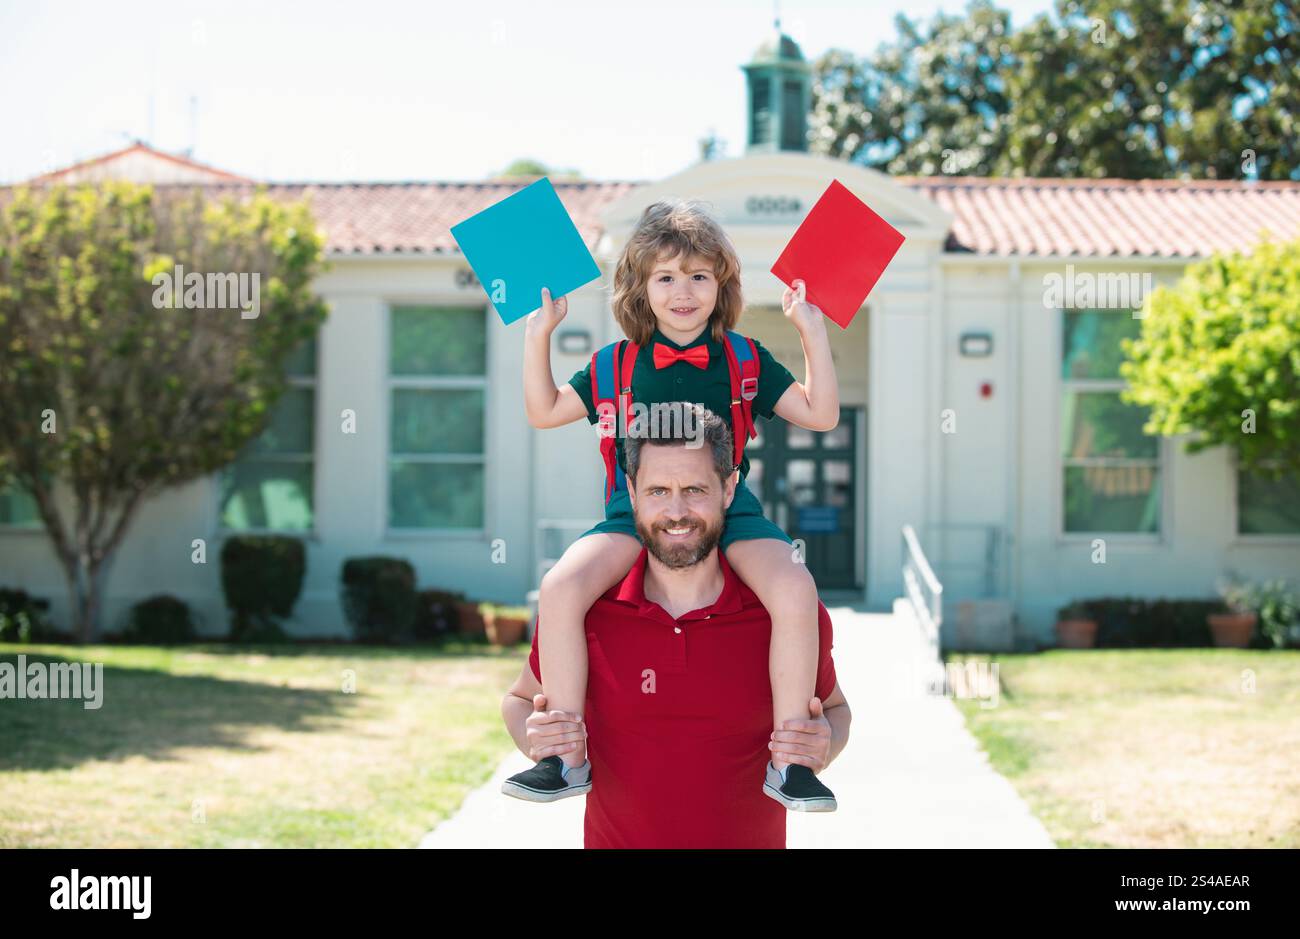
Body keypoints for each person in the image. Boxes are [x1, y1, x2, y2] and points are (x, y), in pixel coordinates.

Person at [511, 198, 842, 809]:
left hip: (729, 509)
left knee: (795, 589)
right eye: (665, 277)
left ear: (722, 285)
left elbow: (821, 414)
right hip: (628, 511)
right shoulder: (615, 363)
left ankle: (791, 764)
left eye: (698, 276)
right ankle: (563, 755)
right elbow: (545, 410)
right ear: (641, 286)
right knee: (560, 588)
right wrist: (539, 336)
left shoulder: (745, 358)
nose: (682, 291)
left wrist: (810, 331)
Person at [499, 406, 851, 848]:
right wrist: (536, 740)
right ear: (631, 492)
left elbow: (836, 710)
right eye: (658, 491)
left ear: (728, 489)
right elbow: (517, 700)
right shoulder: (587, 612)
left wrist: (823, 745)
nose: (677, 511)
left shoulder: (783, 614)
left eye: (695, 489)